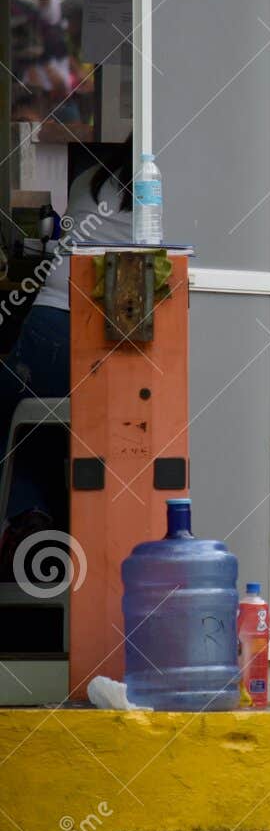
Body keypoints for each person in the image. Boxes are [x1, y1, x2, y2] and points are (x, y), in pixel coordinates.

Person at [0, 145, 132, 556]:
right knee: (61, 428)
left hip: (48, 321)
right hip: (104, 335)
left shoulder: (88, 179)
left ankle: (31, 518)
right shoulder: (159, 192)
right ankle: (47, 526)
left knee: (28, 424)